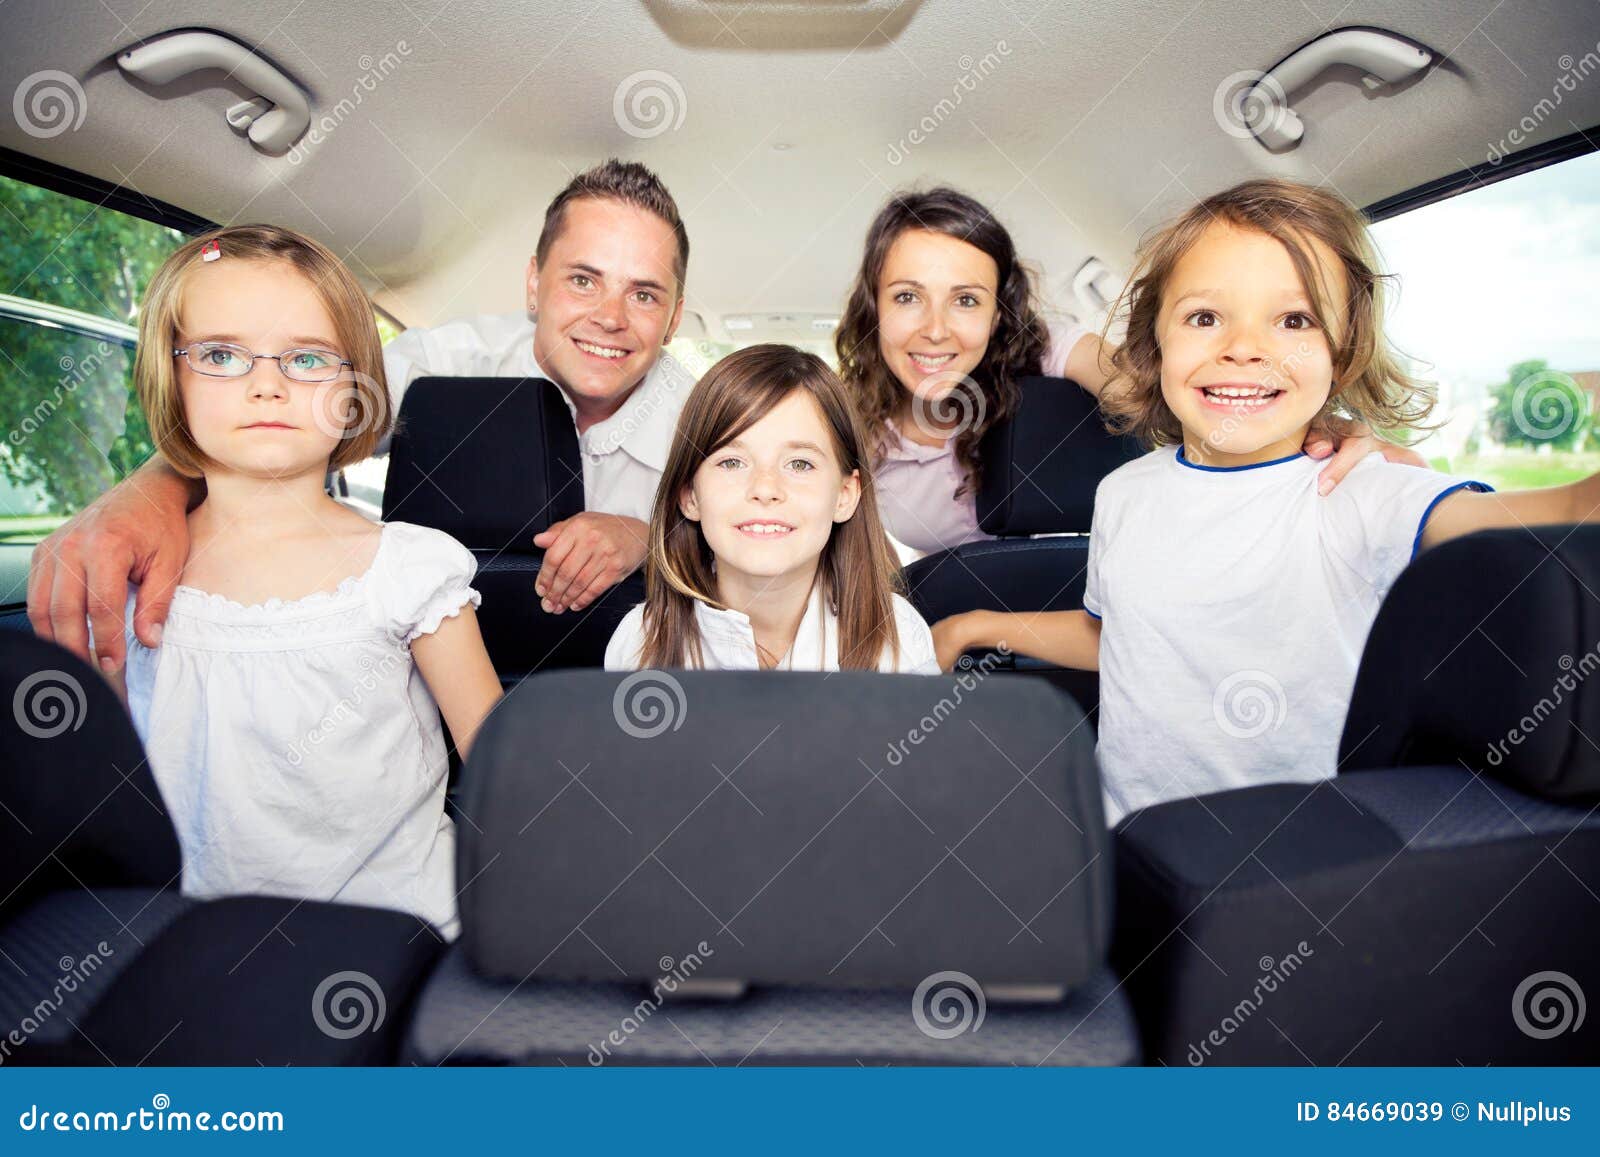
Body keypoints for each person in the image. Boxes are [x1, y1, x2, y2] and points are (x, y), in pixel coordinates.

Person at [930, 178, 1600, 825]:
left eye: (1293, 319)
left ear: (1343, 351)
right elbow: (1120, 639)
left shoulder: (1362, 488)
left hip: (1282, 861)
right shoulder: (1125, 492)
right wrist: (975, 623)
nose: (1245, 347)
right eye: (1204, 316)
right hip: (1122, 844)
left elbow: (1569, 513)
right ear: (1153, 342)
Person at [28, 161, 692, 674]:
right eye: (583, 279)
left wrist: (645, 538)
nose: (609, 315)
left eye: (643, 293)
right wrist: (150, 493)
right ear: (532, 281)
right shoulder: (446, 361)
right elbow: (296, 410)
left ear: (674, 316)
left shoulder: (704, 420)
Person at [114, 225, 502, 937]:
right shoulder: (129, 578)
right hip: (189, 942)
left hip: (399, 939)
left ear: (353, 391)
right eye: (222, 355)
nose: (267, 383)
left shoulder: (410, 568)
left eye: (306, 358)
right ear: (173, 375)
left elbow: (510, 769)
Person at [834, 187, 1426, 555]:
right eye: (908, 297)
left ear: (996, 313)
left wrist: (1314, 427)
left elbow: (1150, 390)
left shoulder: (1045, 349)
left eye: (966, 300)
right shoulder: (845, 424)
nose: (935, 329)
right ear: (875, 307)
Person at [605, 344, 938, 673]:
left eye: (800, 464)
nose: (765, 489)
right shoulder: (640, 643)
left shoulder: (899, 638)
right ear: (690, 494)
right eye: (732, 462)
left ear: (845, 495)